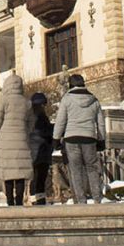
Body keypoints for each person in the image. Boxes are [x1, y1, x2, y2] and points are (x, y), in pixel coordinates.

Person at [53, 73, 105, 204]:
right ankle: (97, 198)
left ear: (71, 85)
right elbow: (101, 122)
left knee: (75, 169)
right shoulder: (94, 100)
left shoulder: (67, 99)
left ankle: (81, 201)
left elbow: (60, 121)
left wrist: (56, 139)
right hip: (89, 138)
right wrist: (101, 140)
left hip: (71, 138)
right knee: (92, 168)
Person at [0, 73, 34, 205]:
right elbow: (31, 122)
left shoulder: (4, 101)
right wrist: (25, 133)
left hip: (5, 139)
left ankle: (10, 201)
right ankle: (19, 201)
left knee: (7, 173)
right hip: (21, 138)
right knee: (20, 173)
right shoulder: (27, 102)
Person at [28, 92, 53, 204]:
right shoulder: (42, 117)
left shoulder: (28, 117)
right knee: (41, 179)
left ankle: (34, 198)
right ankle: (40, 199)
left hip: (31, 152)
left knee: (34, 178)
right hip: (42, 151)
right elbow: (46, 133)